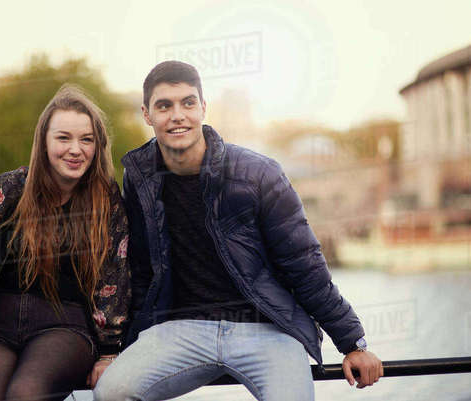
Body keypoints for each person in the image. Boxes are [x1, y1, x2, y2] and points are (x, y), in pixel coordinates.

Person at [93, 61, 383, 401]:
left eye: (188, 103)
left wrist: (352, 343)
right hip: (182, 331)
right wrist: (114, 350)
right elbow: (141, 273)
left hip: (266, 328)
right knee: (110, 392)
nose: (177, 115)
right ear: (147, 114)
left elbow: (304, 263)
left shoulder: (259, 173)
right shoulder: (139, 178)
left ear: (203, 107)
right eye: (164, 106)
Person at [0, 84, 130, 400]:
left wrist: (108, 352)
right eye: (64, 138)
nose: (76, 149)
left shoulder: (106, 199)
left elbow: (114, 278)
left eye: (86, 139)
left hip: (64, 327)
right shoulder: (9, 189)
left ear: (97, 146)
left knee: (25, 394)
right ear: (43, 142)